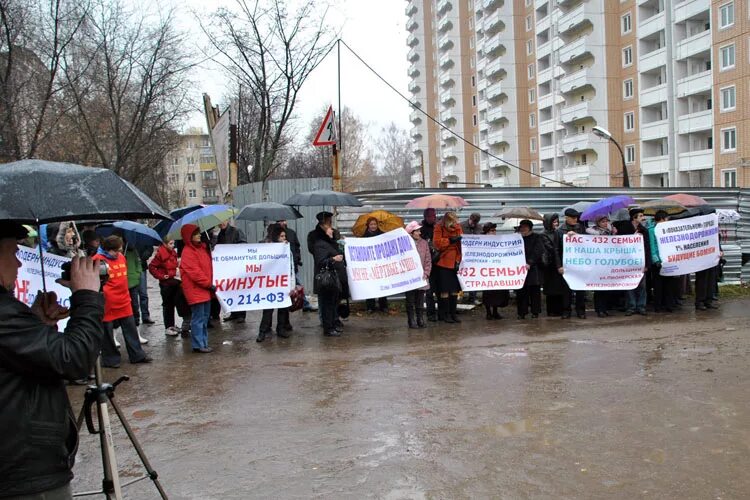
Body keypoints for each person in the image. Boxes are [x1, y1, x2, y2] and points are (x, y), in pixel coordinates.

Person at [0, 221, 105, 499]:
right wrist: (87, 297)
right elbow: (75, 359)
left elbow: (17, 360)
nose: (19, 265)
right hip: (25, 471)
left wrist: (37, 325)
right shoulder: (3, 313)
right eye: (12, 253)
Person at [92, 235, 152, 367]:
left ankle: (137, 355)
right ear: (108, 249)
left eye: (120, 250)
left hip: (124, 300)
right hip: (107, 302)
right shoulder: (97, 260)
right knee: (107, 332)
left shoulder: (121, 257)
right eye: (116, 250)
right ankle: (110, 359)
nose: (119, 253)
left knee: (130, 329)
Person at [310, 214, 348, 337]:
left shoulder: (331, 243)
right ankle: (328, 327)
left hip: (334, 276)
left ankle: (333, 324)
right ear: (325, 229)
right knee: (326, 304)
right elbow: (320, 261)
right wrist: (333, 259)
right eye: (330, 228)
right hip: (326, 278)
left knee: (332, 303)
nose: (333, 230)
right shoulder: (319, 243)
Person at [179, 224, 215, 353]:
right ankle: (198, 344)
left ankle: (202, 343)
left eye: (199, 233)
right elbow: (195, 273)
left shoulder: (201, 249)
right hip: (197, 290)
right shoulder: (188, 252)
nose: (199, 235)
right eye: (196, 234)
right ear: (189, 237)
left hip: (204, 289)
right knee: (199, 318)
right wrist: (209, 284)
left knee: (204, 318)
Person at [257, 224, 292, 342]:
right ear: (276, 237)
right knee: (268, 308)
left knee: (282, 307)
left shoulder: (286, 249)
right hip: (271, 283)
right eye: (281, 236)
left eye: (284, 236)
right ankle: (263, 331)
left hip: (282, 282)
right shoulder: (268, 247)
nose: (284, 238)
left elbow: (290, 265)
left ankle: (281, 329)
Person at [148, 238, 184, 337]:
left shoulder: (172, 252)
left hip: (174, 281)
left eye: (173, 243)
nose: (173, 245)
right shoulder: (160, 254)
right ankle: (168, 327)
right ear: (164, 244)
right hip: (166, 283)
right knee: (168, 305)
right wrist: (161, 276)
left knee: (173, 304)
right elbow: (151, 267)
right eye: (171, 243)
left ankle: (171, 325)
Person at [215, 220, 248, 324]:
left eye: (223, 221)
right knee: (231, 290)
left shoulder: (236, 231)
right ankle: (234, 313)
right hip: (228, 267)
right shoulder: (220, 235)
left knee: (239, 290)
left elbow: (243, 245)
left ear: (227, 220)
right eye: (219, 222)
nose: (222, 223)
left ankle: (241, 314)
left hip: (237, 266)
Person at [433, 211, 463, 323]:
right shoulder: (439, 227)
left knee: (454, 290)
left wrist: (458, 260)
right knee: (444, 290)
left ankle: (453, 313)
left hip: (455, 260)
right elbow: (437, 243)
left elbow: (461, 246)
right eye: (454, 220)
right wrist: (449, 240)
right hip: (443, 261)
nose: (456, 222)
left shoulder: (458, 228)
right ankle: (444, 314)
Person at [620, 208, 651, 316]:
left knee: (642, 286)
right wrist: (633, 236)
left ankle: (641, 306)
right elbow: (620, 244)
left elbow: (647, 248)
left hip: (640, 262)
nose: (643, 218)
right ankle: (631, 306)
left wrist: (647, 264)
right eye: (641, 216)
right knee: (629, 285)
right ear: (634, 217)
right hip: (628, 263)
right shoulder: (624, 228)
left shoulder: (644, 230)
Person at [558, 208, 587, 319]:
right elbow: (556, 249)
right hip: (566, 265)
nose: (576, 220)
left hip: (580, 264)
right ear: (566, 218)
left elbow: (588, 243)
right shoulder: (560, 231)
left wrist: (578, 236)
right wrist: (559, 265)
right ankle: (566, 310)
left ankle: (581, 310)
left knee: (580, 288)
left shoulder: (581, 228)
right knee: (566, 289)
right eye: (573, 218)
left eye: (576, 218)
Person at [586, 214, 617, 317]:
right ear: (598, 223)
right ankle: (599, 309)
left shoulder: (610, 231)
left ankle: (605, 308)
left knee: (607, 287)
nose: (605, 223)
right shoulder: (592, 232)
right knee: (599, 288)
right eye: (603, 222)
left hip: (607, 263)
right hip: (597, 263)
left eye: (606, 221)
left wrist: (614, 234)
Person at [647, 210, 678, 313]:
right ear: (661, 219)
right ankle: (658, 306)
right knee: (658, 284)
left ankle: (669, 304)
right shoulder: (652, 230)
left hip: (668, 260)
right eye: (666, 219)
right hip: (658, 261)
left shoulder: (668, 229)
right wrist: (656, 260)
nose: (667, 221)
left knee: (669, 284)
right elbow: (652, 246)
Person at [516, 220, 545, 319]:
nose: (523, 229)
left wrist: (530, 262)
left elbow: (538, 251)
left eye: (525, 227)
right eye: (521, 227)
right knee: (521, 291)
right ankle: (522, 312)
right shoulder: (517, 238)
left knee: (534, 291)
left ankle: (535, 311)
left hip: (534, 269)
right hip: (519, 269)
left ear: (530, 228)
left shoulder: (537, 237)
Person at [404, 221, 431, 328]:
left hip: (421, 277)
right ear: (411, 233)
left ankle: (420, 318)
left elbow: (428, 259)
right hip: (409, 277)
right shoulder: (405, 244)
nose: (419, 232)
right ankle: (411, 320)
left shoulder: (424, 243)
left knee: (420, 299)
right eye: (417, 231)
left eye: (419, 230)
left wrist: (426, 272)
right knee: (410, 300)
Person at [480, 222, 509, 320]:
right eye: (492, 231)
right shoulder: (480, 242)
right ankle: (488, 312)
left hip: (497, 271)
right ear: (487, 232)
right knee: (488, 293)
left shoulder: (498, 241)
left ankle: (495, 312)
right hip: (486, 272)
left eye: (495, 230)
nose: (494, 232)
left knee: (497, 292)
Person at [362, 217, 389, 313]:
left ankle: (383, 306)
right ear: (368, 225)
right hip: (369, 264)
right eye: (371, 224)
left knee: (382, 284)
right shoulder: (364, 237)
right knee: (370, 285)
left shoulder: (382, 235)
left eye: (375, 224)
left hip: (380, 264)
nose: (373, 226)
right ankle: (370, 306)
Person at [541, 213, 565, 317]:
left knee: (559, 288)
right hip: (549, 265)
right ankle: (551, 310)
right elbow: (551, 248)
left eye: (557, 222)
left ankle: (559, 309)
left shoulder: (558, 233)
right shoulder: (543, 234)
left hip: (558, 263)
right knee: (551, 290)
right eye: (554, 222)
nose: (556, 224)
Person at [419, 208, 439, 321]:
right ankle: (430, 314)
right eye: (431, 216)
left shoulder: (438, 226)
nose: (433, 218)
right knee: (429, 291)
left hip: (438, 261)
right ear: (426, 217)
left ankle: (441, 313)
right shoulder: (421, 229)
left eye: (434, 215)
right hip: (427, 262)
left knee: (439, 289)